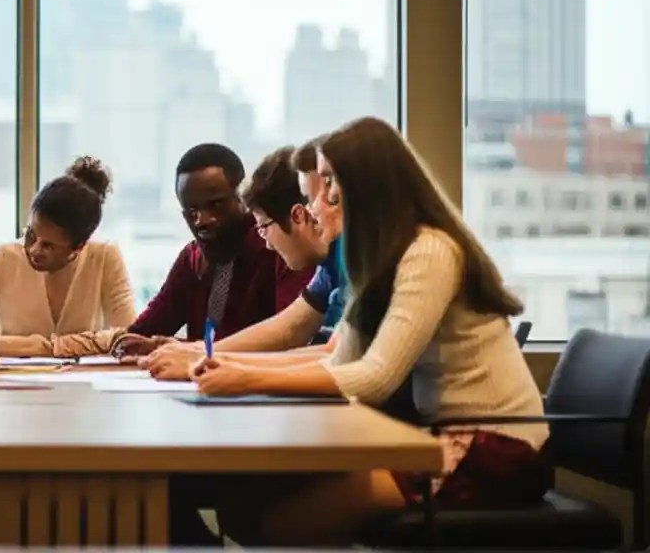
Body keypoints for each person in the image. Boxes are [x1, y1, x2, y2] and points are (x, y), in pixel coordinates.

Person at [190, 117, 549, 546]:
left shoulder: (430, 251)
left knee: (271, 520)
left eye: (327, 182)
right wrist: (228, 366)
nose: (321, 200)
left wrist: (244, 378)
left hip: (493, 451)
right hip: (433, 438)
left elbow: (374, 379)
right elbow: (339, 359)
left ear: (363, 184)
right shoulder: (378, 258)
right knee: (246, 505)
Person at [143, 140, 344, 380]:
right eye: (192, 211)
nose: (202, 221)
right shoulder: (332, 263)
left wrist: (229, 368)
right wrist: (200, 352)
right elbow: (291, 328)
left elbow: (343, 362)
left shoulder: (359, 259)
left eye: (330, 199)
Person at [111, 143, 313, 358]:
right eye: (191, 211)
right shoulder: (193, 258)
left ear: (243, 198)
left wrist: (196, 351)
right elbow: (144, 332)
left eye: (216, 205)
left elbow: (289, 336)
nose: (202, 221)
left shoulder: (280, 247)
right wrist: (157, 346)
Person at [0, 157, 136, 357]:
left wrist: (46, 347)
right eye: (31, 235)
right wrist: (52, 346)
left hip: (82, 383)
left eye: (48, 245)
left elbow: (127, 337)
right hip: (14, 384)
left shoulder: (104, 257)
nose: (34, 250)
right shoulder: (4, 257)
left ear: (78, 247)